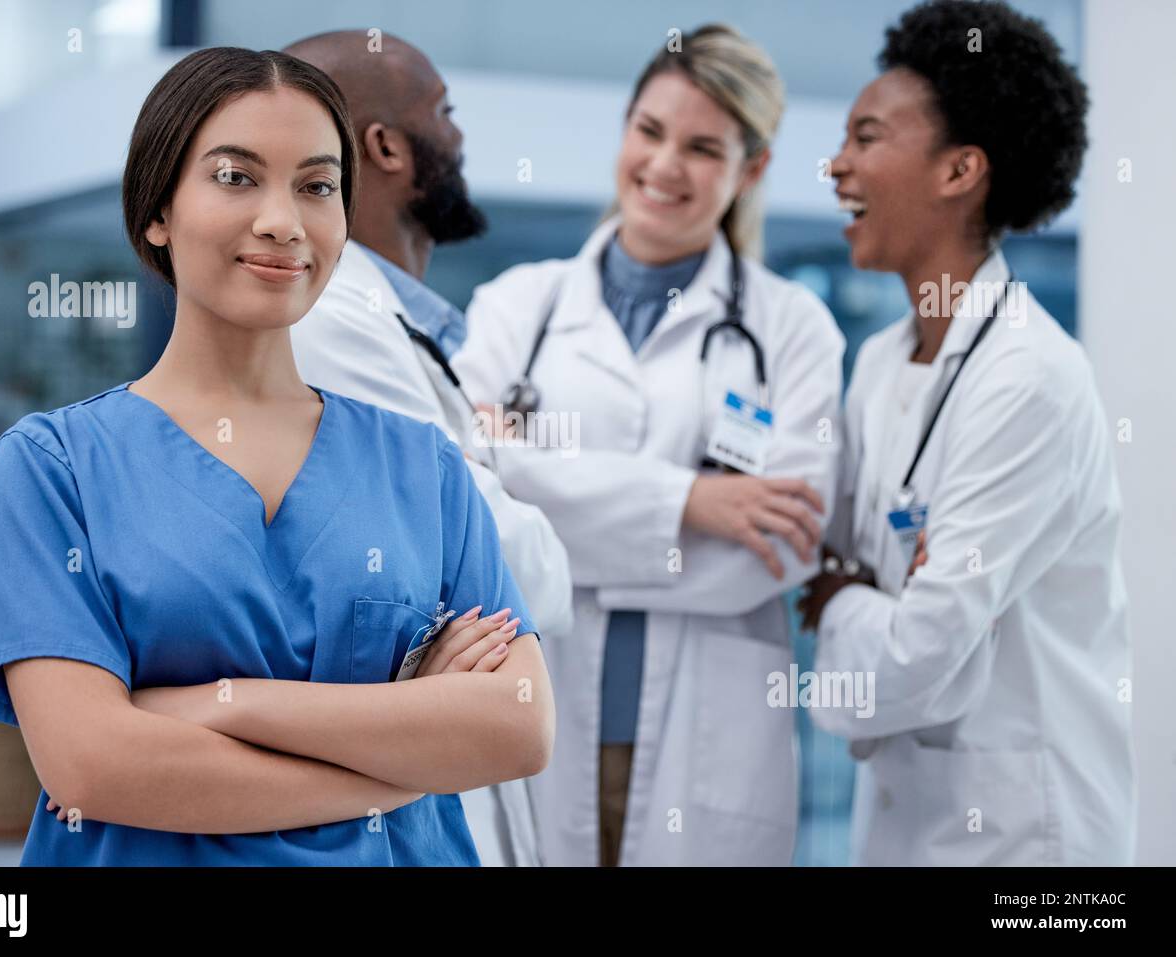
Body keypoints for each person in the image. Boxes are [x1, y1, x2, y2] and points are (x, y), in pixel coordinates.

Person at [0, 46, 553, 866]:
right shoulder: (50, 472)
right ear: (157, 212)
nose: (284, 221)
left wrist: (224, 704)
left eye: (318, 186)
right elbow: (95, 765)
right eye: (235, 177)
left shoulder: (423, 468)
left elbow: (517, 724)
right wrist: (402, 763)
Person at [454, 24, 844, 866]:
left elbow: (781, 544)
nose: (665, 165)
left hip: (710, 733)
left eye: (704, 147)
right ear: (624, 129)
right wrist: (693, 503)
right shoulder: (518, 308)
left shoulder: (791, 327)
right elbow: (468, 501)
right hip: (538, 708)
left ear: (754, 169)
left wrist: (545, 491)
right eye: (650, 130)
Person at [798, 0, 1134, 865]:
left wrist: (850, 602)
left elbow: (921, 652)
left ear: (960, 171)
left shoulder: (1029, 379)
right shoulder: (878, 360)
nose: (836, 166)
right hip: (910, 817)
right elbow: (837, 567)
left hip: (1032, 843)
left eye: (867, 138)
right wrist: (879, 598)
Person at [280, 30, 574, 866]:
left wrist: (485, 473)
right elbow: (524, 574)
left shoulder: (393, 321)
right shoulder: (335, 317)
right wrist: (496, 484)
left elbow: (473, 539)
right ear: (387, 146)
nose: (461, 135)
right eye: (444, 111)